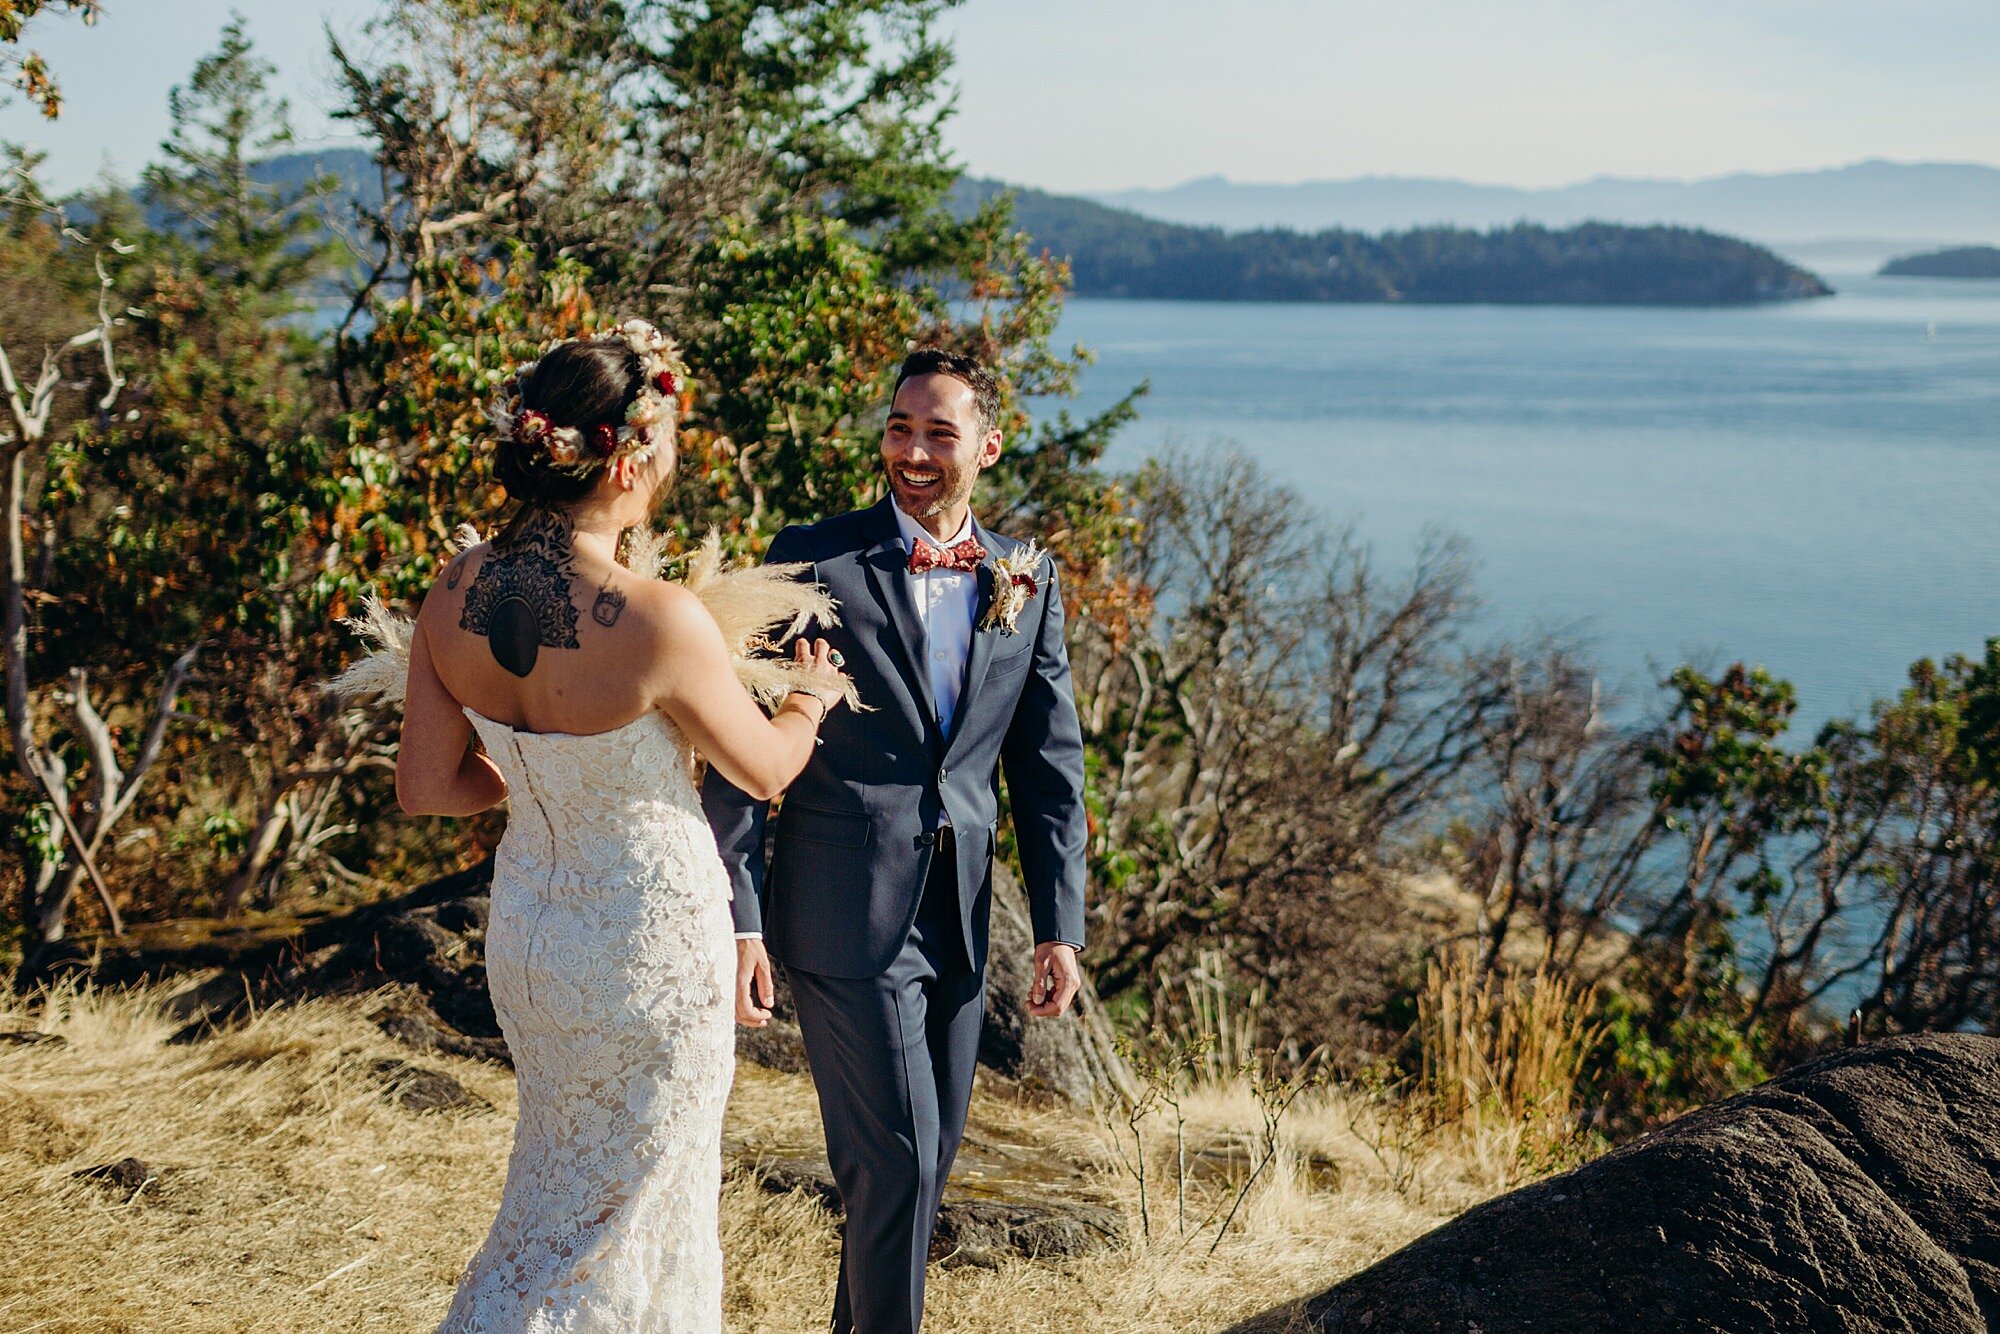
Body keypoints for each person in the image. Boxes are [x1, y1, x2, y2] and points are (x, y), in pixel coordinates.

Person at [395, 320, 847, 1334]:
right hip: (650, 945)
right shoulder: (657, 617)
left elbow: (428, 784)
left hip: (533, 940)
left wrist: (542, 777)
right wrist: (810, 695)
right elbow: (763, 767)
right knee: (640, 1205)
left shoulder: (454, 587)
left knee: (551, 1198)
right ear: (630, 458)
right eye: (671, 447)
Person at [703, 347, 1090, 1334]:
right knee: (900, 1159)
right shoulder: (810, 555)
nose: (912, 451)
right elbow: (736, 746)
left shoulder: (1025, 577)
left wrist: (1060, 927)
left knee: (921, 1166)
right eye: (898, 427)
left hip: (958, 921)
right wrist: (738, 916)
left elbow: (1047, 768)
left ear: (988, 447)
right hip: (839, 912)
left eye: (938, 432)